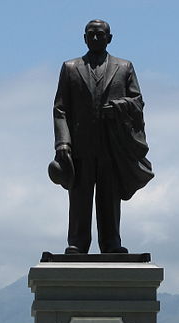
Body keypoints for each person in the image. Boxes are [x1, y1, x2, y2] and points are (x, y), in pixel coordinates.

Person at [50, 19, 154, 254]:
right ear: (84, 38)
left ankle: (111, 242)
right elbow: (60, 108)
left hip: (111, 144)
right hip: (80, 145)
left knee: (109, 195)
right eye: (91, 34)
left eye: (100, 34)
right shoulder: (70, 68)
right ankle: (77, 242)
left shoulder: (124, 67)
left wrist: (118, 106)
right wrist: (63, 142)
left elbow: (138, 102)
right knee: (79, 196)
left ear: (109, 38)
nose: (96, 38)